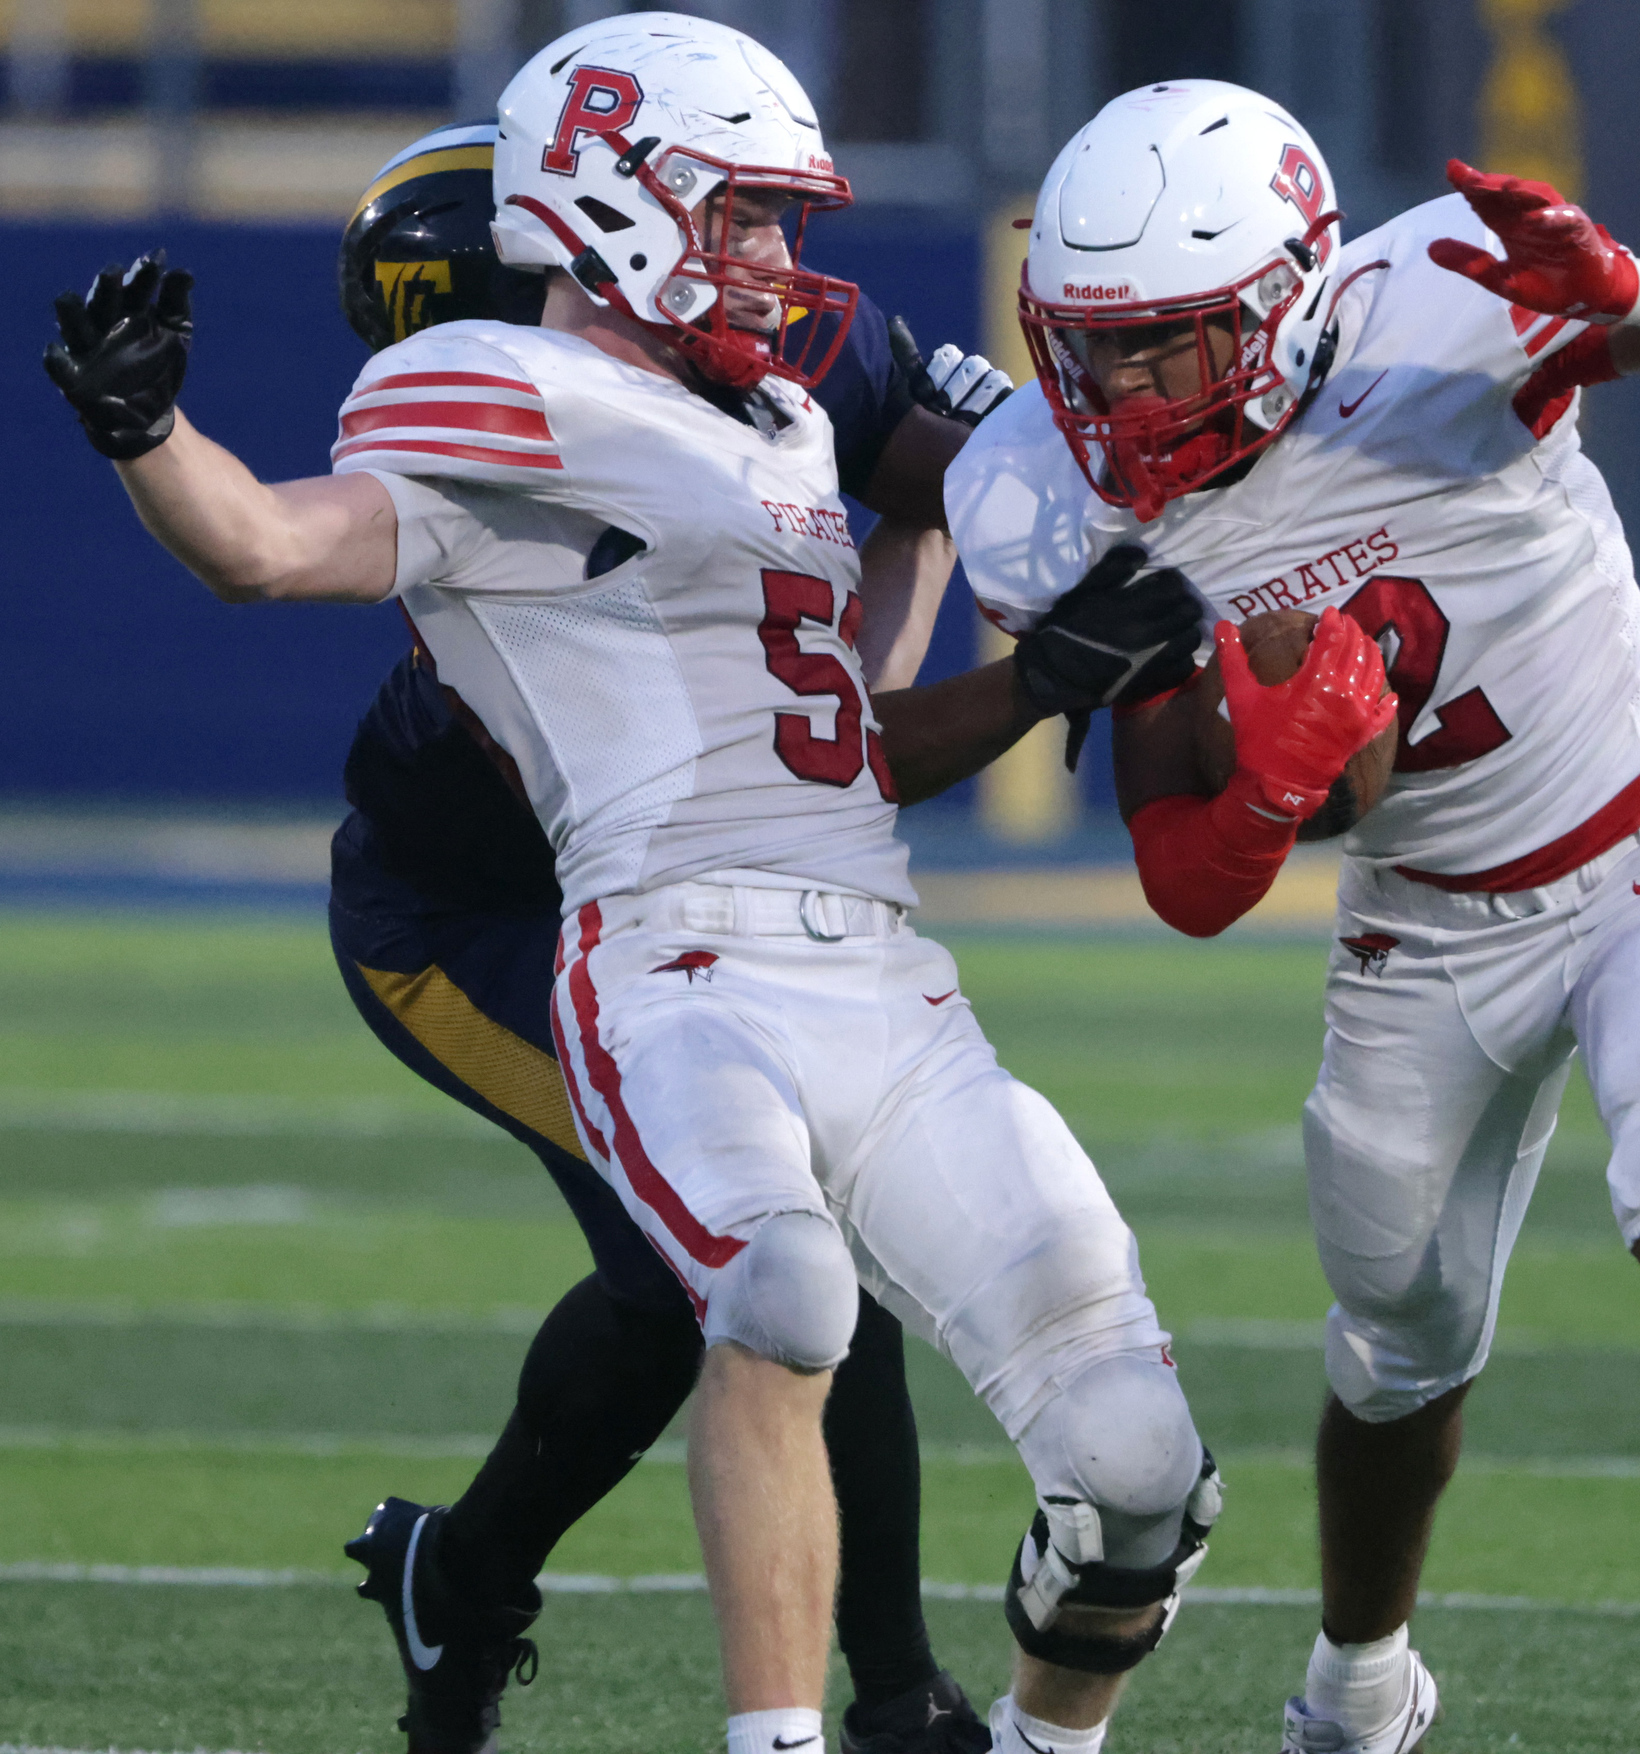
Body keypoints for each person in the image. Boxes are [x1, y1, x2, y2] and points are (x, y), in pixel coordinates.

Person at [43, 19, 1220, 1754]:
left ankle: (497, 1576)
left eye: (777, 221)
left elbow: (854, 737)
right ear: (612, 208)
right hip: (542, 934)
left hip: (858, 950)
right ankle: (850, 1706)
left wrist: (1036, 641)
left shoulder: (788, 423)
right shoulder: (513, 399)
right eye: (739, 219)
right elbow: (276, 544)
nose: (777, 262)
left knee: (1111, 1431)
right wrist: (149, 431)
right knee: (766, 1283)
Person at [943, 78, 1640, 1754]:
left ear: (1286, 307)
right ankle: (1360, 1687)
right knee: (1392, 1351)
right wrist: (1273, 788)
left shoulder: (1446, 308)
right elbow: (1183, 879)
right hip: (1422, 925)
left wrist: (1633, 291)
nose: (1121, 391)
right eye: (1094, 343)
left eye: (1169, 344)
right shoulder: (1067, 498)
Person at [325, 119, 1009, 1754]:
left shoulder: (783, 353)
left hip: (672, 907)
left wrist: (997, 464)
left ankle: (468, 1571)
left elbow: (898, 524)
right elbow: (796, 728)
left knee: (752, 1256)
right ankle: (890, 1692)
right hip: (478, 928)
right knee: (734, 1259)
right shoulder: (494, 525)